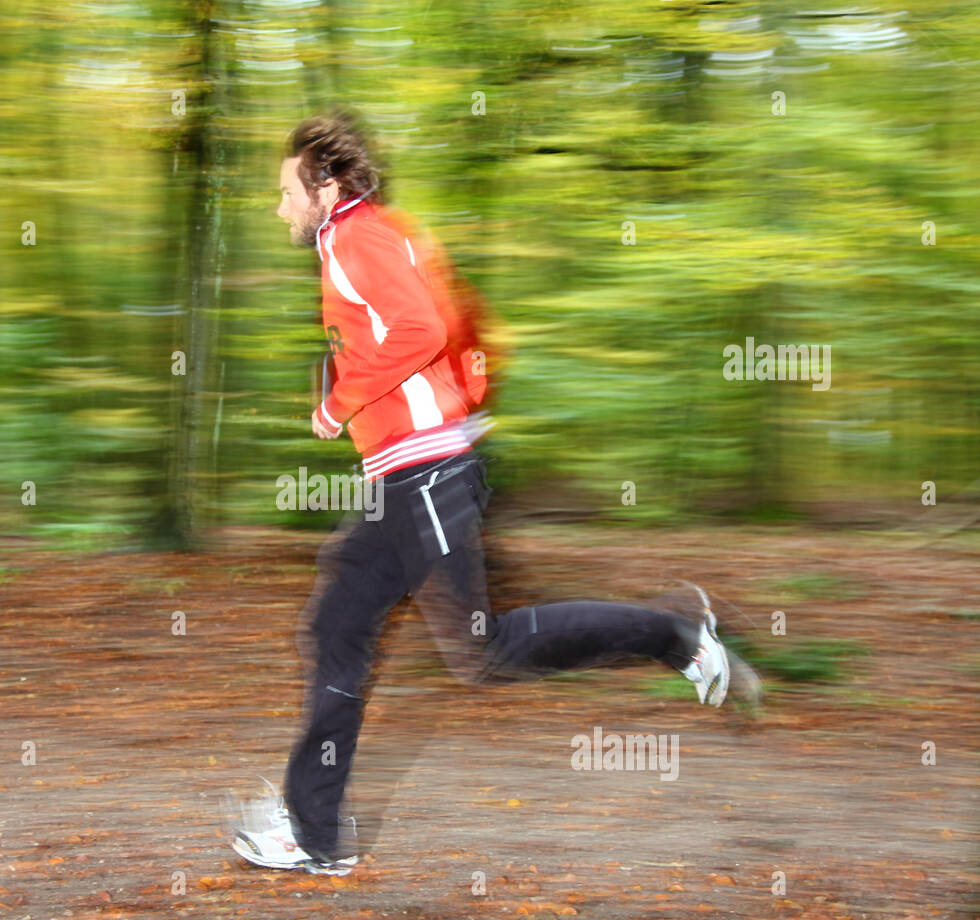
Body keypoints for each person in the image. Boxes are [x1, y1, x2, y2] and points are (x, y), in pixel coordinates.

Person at [232, 110, 735, 876]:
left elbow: (419, 329)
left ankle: (678, 636)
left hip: (423, 472)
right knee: (337, 624)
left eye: (284, 192)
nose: (279, 208)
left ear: (324, 187)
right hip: (405, 475)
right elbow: (416, 333)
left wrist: (337, 405)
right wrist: (353, 388)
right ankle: (314, 832)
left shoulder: (352, 237)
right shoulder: (380, 230)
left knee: (481, 649)